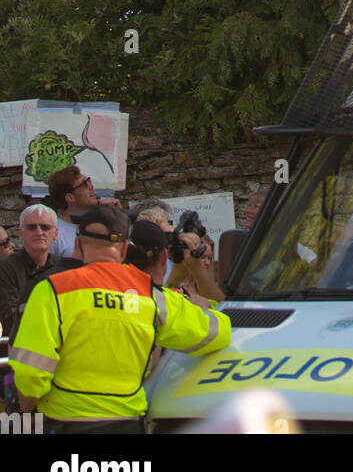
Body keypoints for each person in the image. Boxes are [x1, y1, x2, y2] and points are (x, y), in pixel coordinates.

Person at [9, 204, 231, 434]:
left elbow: (31, 373)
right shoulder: (150, 295)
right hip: (126, 424)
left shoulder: (51, 291)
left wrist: (27, 408)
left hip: (66, 423)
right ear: (124, 248)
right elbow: (219, 332)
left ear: (79, 245)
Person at [0, 205, 66, 342]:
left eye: (45, 227)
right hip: (19, 348)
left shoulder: (65, 269)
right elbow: (10, 318)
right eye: (31, 227)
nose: (39, 232)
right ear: (21, 234)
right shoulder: (5, 269)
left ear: (56, 234)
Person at [47, 164, 122, 257]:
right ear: (70, 197)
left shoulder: (103, 225)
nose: (91, 186)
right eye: (85, 184)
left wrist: (119, 219)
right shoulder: (53, 234)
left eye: (89, 181)